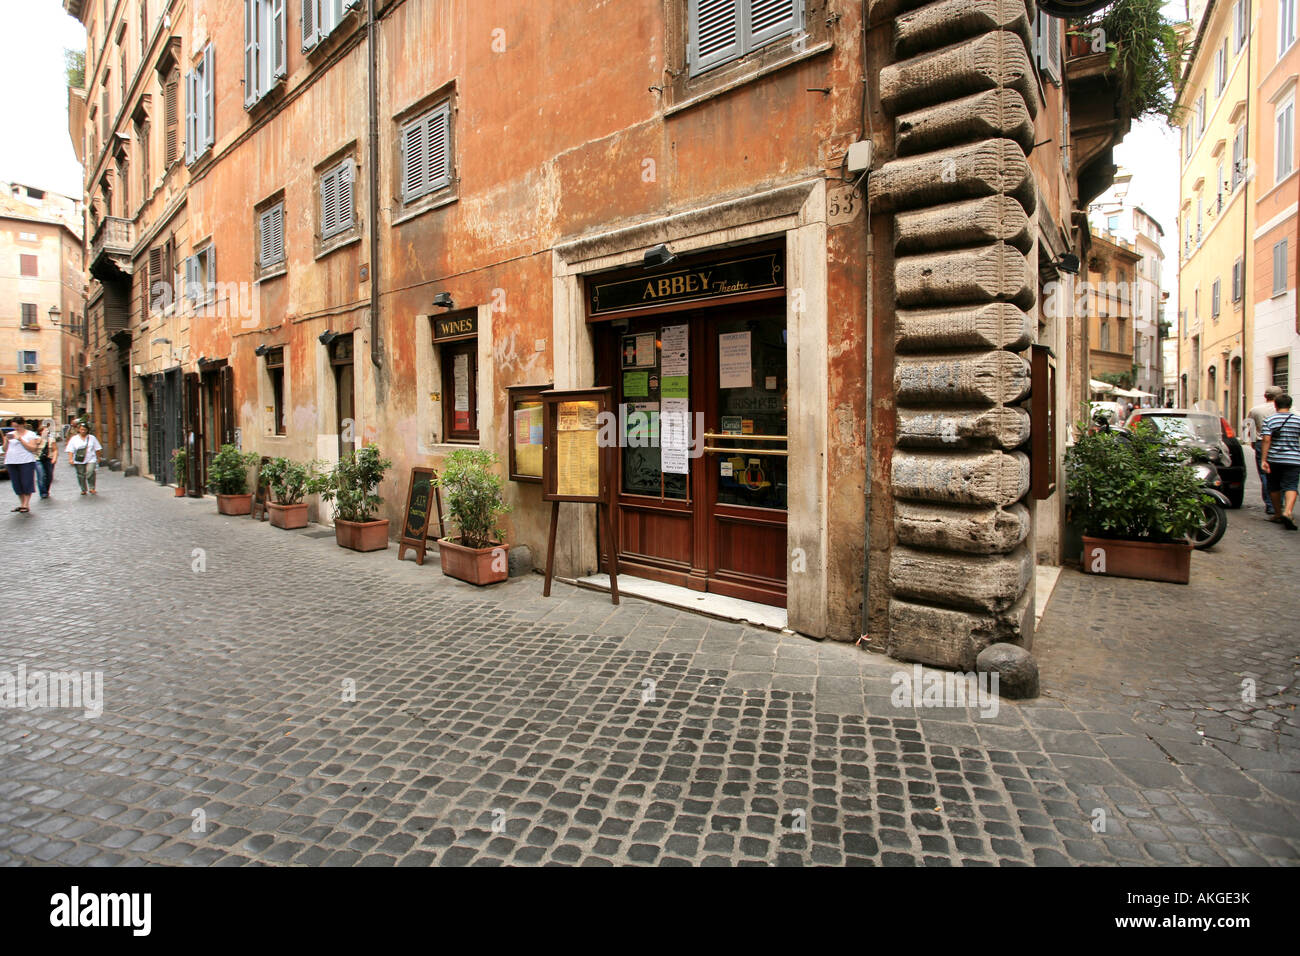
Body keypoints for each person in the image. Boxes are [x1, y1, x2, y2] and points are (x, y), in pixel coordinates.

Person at [1261, 393, 1300, 530]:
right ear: (1290, 405)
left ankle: (1278, 513)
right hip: (1294, 459)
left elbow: (1266, 440)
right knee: (1291, 485)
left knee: (1274, 486)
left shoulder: (1269, 420)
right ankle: (1287, 512)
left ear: (1275, 405)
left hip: (1274, 459)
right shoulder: (1298, 420)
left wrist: (1264, 459)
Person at [1247, 386, 1284, 513]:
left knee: (1265, 474)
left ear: (1265, 396)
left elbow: (1249, 426)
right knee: (1281, 473)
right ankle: (1280, 503)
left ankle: (1270, 504)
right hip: (1281, 443)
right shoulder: (1287, 410)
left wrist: (1252, 441)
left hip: (1261, 442)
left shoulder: (1255, 410)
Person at [4, 418, 41, 513]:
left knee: (26, 482)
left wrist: (20, 439)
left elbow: (33, 448)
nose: (16, 428)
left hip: (26, 461)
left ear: (23, 424)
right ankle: (22, 503)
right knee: (16, 483)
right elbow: (5, 449)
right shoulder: (11, 434)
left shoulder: (30, 434)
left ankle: (26, 504)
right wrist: (6, 441)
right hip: (11, 461)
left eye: (17, 426)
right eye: (14, 426)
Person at [66, 422, 103, 496]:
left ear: (87, 430)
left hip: (91, 458)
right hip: (79, 459)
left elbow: (97, 449)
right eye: (81, 429)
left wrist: (98, 458)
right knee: (81, 475)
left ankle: (92, 487)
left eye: (84, 429)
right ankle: (83, 489)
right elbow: (70, 450)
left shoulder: (92, 438)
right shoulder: (74, 439)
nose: (83, 431)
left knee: (90, 472)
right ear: (78, 430)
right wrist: (70, 459)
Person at [34, 420, 57, 499]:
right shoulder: (36, 439)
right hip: (38, 459)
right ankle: (43, 492)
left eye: (47, 431)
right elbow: (32, 449)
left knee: (49, 476)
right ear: (40, 432)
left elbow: (55, 449)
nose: (46, 432)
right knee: (41, 475)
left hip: (48, 459)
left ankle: (46, 490)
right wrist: (38, 442)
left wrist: (54, 458)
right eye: (44, 431)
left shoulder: (51, 439)